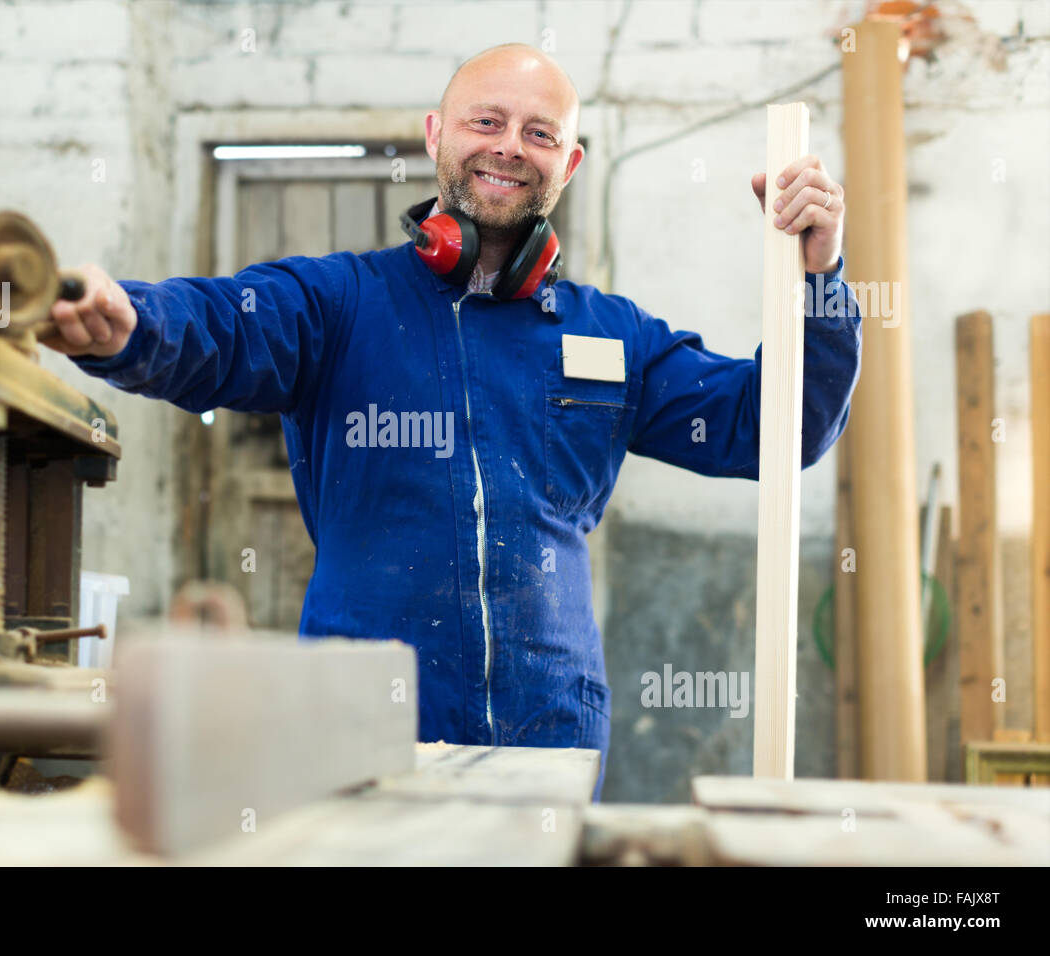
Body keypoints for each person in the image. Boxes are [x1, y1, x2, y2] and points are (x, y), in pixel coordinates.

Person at [43, 44, 861, 799]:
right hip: (362, 725)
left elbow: (776, 427)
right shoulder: (339, 305)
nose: (509, 145)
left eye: (539, 132)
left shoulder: (611, 336)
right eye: (486, 121)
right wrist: (130, 324)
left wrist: (820, 276)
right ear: (437, 135)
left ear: (568, 163)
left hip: (551, 735)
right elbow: (222, 327)